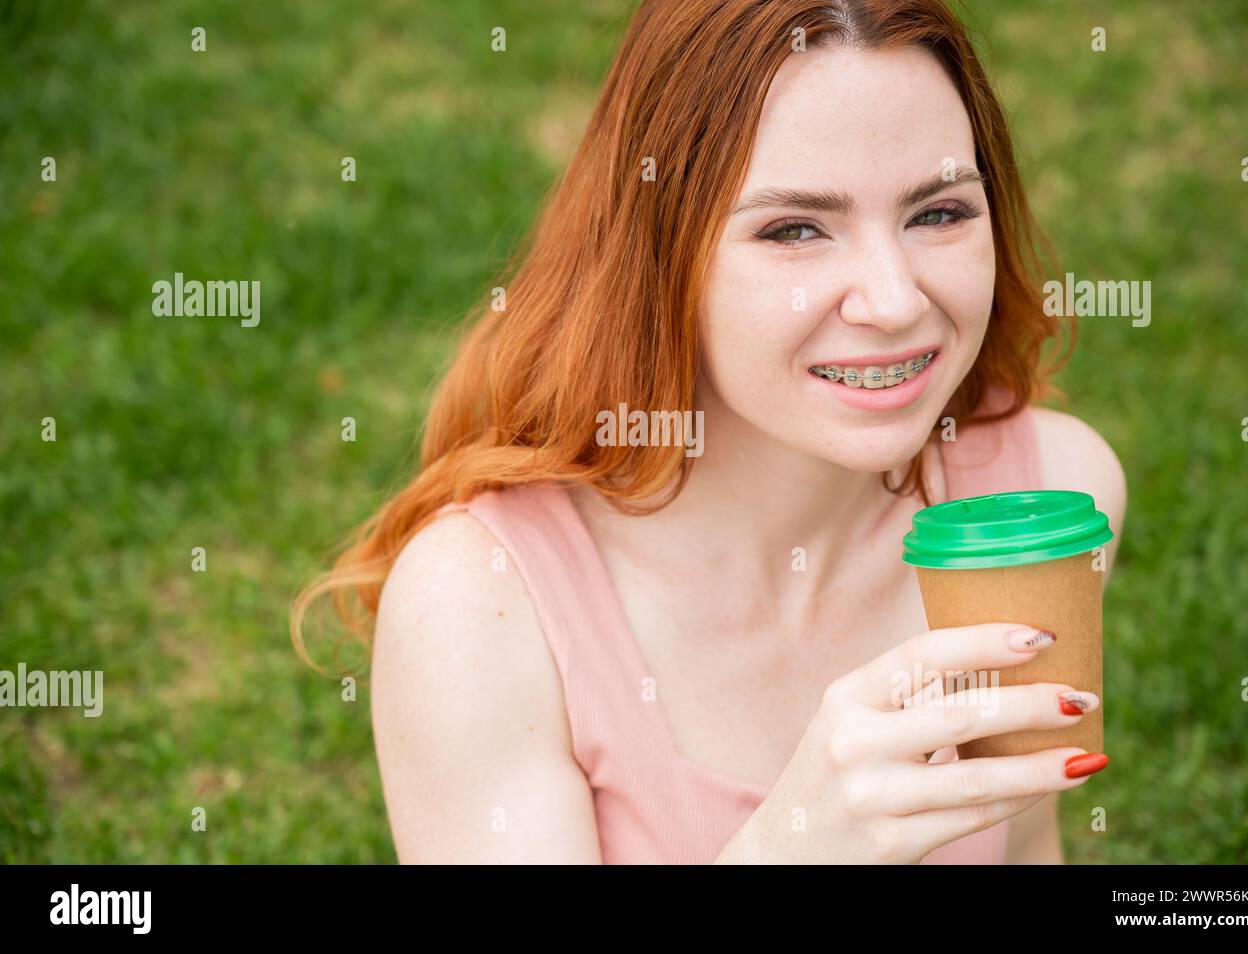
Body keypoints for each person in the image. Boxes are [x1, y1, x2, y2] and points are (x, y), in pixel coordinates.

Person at [294, 0, 1126, 864]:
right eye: (795, 229)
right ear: (660, 252)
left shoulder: (1048, 505)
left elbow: (1028, 853)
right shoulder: (484, 609)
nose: (895, 301)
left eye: (939, 212)